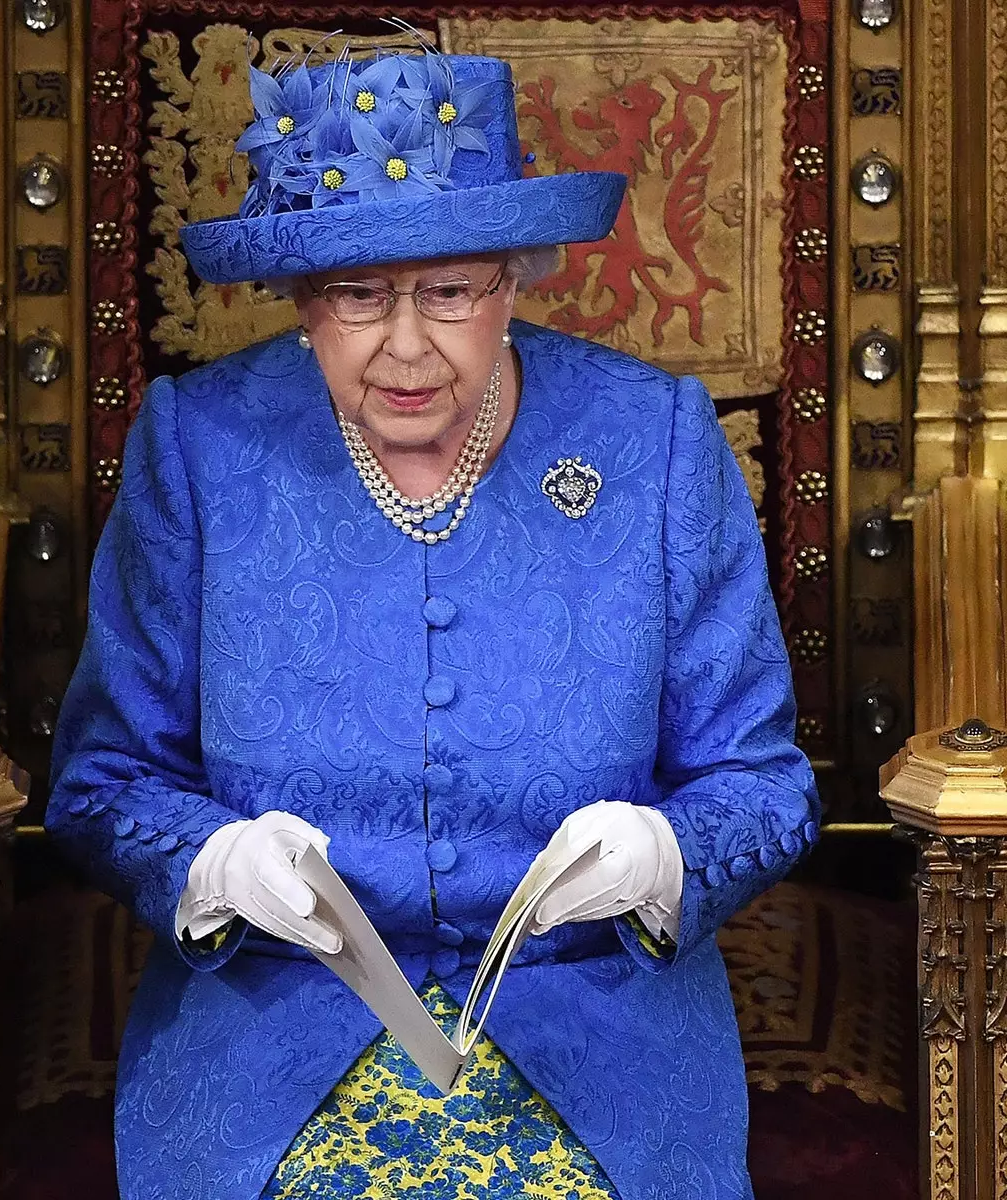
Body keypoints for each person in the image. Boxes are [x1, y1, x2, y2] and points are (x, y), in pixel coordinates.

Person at [48, 48, 818, 1200]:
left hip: (596, 1035)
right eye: (357, 296)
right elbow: (101, 781)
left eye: (451, 291)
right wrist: (212, 863)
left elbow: (761, 783)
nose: (405, 346)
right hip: (275, 1040)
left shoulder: (649, 438)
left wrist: (664, 857)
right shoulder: (202, 446)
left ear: (516, 279)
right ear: (303, 301)